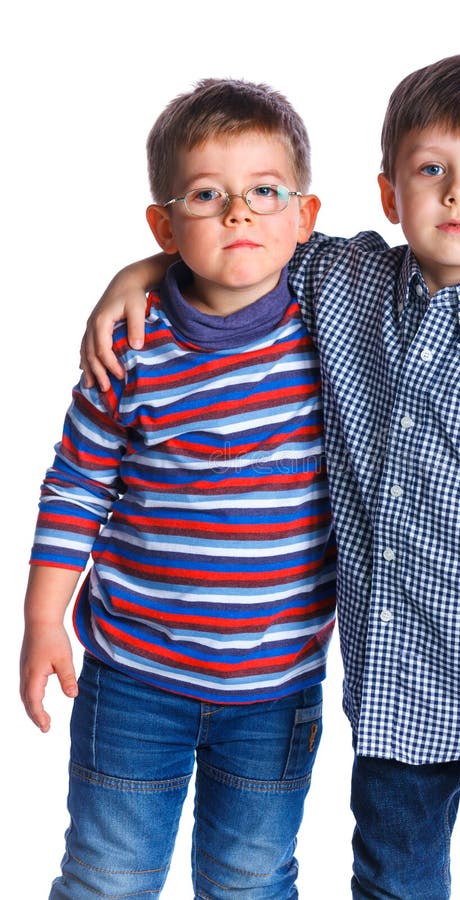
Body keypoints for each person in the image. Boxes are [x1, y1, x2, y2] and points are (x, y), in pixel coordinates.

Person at [79, 56, 460, 898]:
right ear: (388, 194)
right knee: (394, 882)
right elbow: (241, 242)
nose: (456, 194)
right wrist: (135, 275)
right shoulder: (345, 282)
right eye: (429, 170)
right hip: (398, 690)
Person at [20, 78, 332, 899]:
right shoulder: (129, 347)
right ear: (164, 226)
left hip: (276, 685)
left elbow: (442, 289)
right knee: (108, 877)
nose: (238, 213)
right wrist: (43, 619)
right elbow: (76, 486)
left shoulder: (330, 332)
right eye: (206, 195)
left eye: (265, 192)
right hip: (134, 674)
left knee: (250, 880)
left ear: (304, 216)